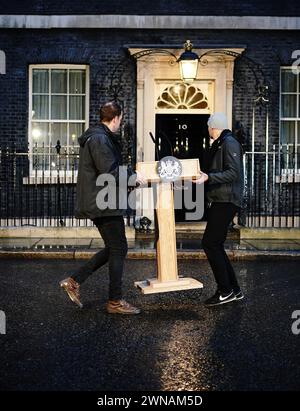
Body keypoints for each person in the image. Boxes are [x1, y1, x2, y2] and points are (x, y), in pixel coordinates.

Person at [60, 101, 147, 314]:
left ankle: (74, 281)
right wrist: (135, 177)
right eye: (120, 120)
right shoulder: (99, 139)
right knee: (119, 248)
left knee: (114, 247)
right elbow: (110, 172)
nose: (120, 124)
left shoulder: (99, 136)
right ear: (116, 118)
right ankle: (115, 302)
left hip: (103, 201)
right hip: (103, 203)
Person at [193, 112, 244, 307]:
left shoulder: (229, 143)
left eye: (208, 127)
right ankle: (234, 289)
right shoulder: (222, 143)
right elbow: (216, 170)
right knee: (216, 244)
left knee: (210, 243)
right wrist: (204, 176)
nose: (207, 130)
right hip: (222, 199)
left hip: (227, 200)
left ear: (214, 126)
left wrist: (209, 178)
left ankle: (225, 291)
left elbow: (233, 172)